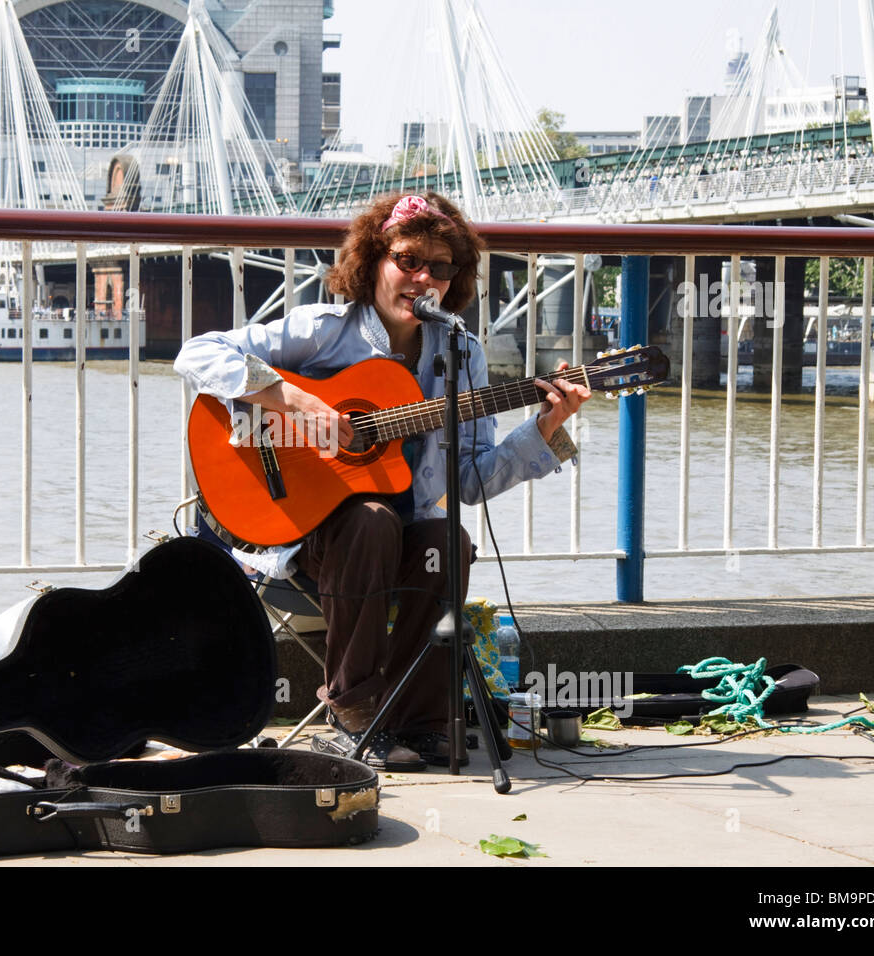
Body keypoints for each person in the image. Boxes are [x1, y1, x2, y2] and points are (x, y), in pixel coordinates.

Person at [174, 192, 590, 771]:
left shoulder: (460, 352)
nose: (422, 278)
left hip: (395, 547)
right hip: (304, 537)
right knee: (371, 519)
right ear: (372, 264)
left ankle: (420, 722)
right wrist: (293, 399)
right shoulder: (324, 331)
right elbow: (198, 353)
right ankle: (354, 710)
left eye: (439, 267)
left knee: (446, 540)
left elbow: (467, 480)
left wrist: (546, 427)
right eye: (407, 260)